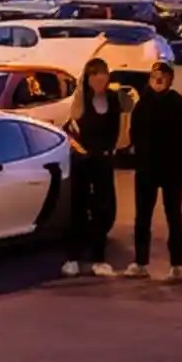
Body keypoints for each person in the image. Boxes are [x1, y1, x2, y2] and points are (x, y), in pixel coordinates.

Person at [124, 62, 182, 284]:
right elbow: (133, 133)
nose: (158, 80)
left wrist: (179, 162)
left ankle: (176, 265)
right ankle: (140, 263)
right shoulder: (142, 105)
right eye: (155, 76)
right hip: (146, 169)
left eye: (162, 77)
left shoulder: (181, 106)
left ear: (170, 80)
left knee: (173, 215)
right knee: (142, 216)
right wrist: (138, 158)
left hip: (172, 171)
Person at [62, 57, 135, 278]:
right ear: (88, 77)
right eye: (94, 74)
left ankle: (98, 258)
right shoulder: (80, 101)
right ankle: (73, 257)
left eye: (102, 74)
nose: (99, 78)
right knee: (79, 207)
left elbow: (124, 120)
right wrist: (80, 151)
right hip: (83, 162)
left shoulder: (113, 99)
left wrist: (112, 150)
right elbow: (68, 132)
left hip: (103, 161)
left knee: (103, 209)